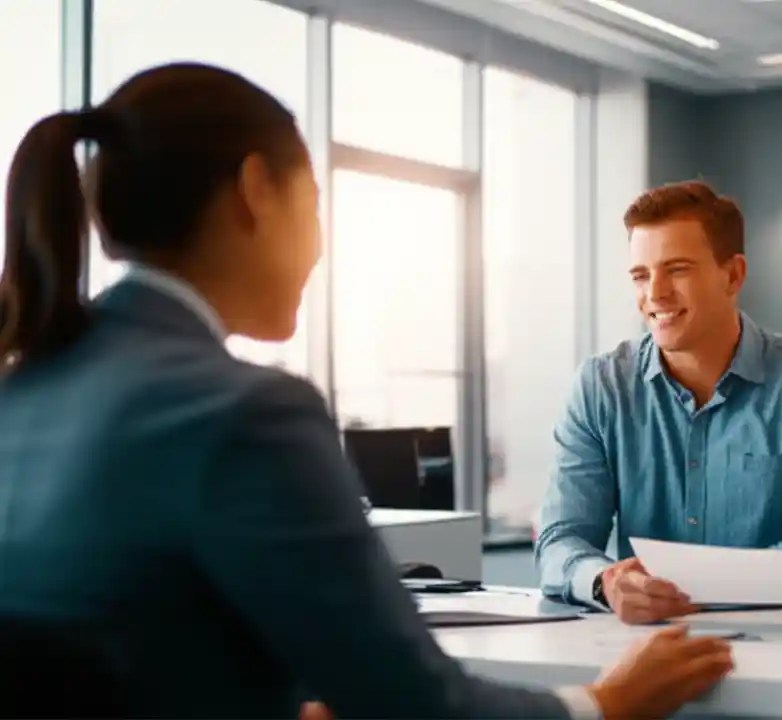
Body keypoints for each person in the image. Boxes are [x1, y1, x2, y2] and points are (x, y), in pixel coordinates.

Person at [0, 62, 732, 718]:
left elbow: (130, 652)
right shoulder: (246, 412)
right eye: (315, 204)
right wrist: (605, 704)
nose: (319, 246)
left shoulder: (26, 387)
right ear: (257, 191)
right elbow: (413, 705)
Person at [536, 180, 782, 625]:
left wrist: (688, 585)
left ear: (732, 275)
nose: (655, 293)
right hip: (647, 648)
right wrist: (605, 582)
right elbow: (562, 539)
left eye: (676, 270)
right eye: (640, 275)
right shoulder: (600, 386)